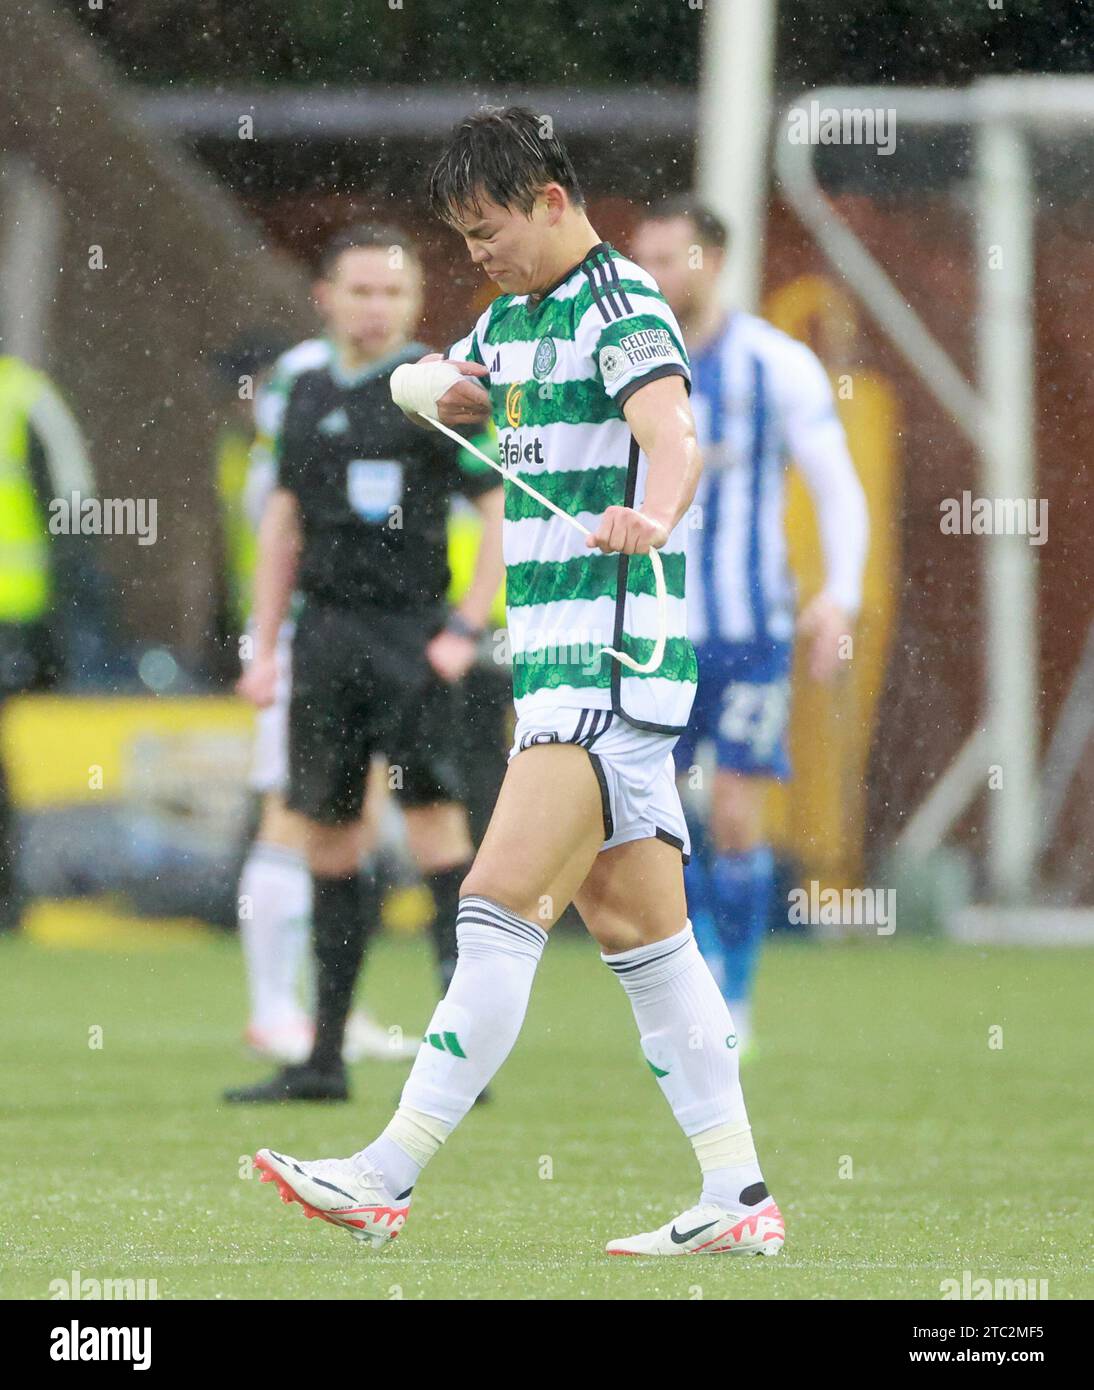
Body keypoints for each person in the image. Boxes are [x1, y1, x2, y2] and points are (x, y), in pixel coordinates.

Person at [251, 107, 785, 1259]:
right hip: (552, 664)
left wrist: (655, 509)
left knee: (491, 906)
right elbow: (473, 392)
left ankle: (382, 1173)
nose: (474, 253)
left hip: (609, 662)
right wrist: (436, 387)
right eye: (461, 235)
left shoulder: (621, 301)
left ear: (551, 200)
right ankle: (738, 1193)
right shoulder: (509, 313)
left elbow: (670, 431)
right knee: (648, 943)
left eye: (487, 228)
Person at [224, 223, 505, 1104]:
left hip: (414, 637)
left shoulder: (438, 391)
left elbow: (499, 508)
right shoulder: (301, 389)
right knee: (331, 839)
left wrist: (464, 626)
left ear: (416, 302)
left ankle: (464, 1060)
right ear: (326, 297)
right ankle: (324, 1060)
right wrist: (263, 647)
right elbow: (282, 524)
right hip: (327, 641)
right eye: (361, 291)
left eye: (393, 292)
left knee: (436, 832)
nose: (377, 307)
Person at [632, 199, 869, 1053]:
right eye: (644, 259)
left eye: (672, 258)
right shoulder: (625, 367)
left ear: (714, 261)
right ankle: (684, 988)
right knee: (652, 819)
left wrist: (839, 592)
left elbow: (837, 485)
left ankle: (734, 994)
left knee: (733, 809)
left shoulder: (779, 364)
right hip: (650, 626)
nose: (655, 277)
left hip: (747, 629)